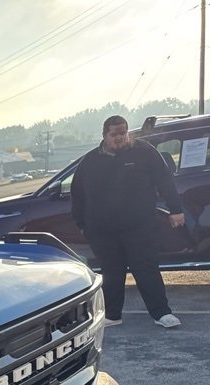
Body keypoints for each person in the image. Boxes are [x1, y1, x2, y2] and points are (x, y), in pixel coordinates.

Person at [71, 115, 186, 328]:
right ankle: (113, 315)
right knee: (112, 272)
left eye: (123, 133)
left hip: (139, 227)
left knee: (146, 269)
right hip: (103, 230)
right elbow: (77, 194)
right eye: (114, 134)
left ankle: (161, 313)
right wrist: (81, 223)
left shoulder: (144, 152)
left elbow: (165, 180)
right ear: (104, 135)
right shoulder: (90, 161)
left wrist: (176, 210)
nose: (119, 138)